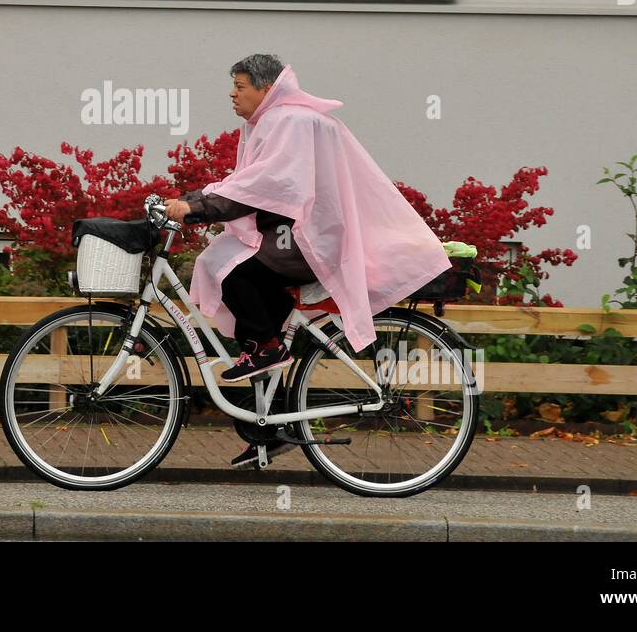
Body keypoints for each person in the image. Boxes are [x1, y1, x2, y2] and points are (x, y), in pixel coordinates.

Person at [163, 53, 452, 469]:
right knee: (257, 308)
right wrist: (193, 202)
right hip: (294, 237)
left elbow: (268, 184)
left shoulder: (289, 121)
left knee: (231, 272)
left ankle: (266, 349)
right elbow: (248, 184)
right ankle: (271, 427)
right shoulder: (278, 120)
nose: (233, 93)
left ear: (266, 88)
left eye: (240, 86)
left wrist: (197, 209)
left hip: (309, 240)